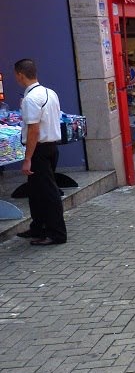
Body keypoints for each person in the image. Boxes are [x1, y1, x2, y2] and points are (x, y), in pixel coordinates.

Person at [13, 58, 67, 246]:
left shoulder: (30, 99)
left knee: (47, 193)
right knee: (37, 191)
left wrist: (28, 158)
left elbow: (34, 129)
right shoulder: (49, 93)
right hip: (51, 146)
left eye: (16, 75)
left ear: (20, 75)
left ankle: (56, 234)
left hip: (40, 150)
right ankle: (38, 227)